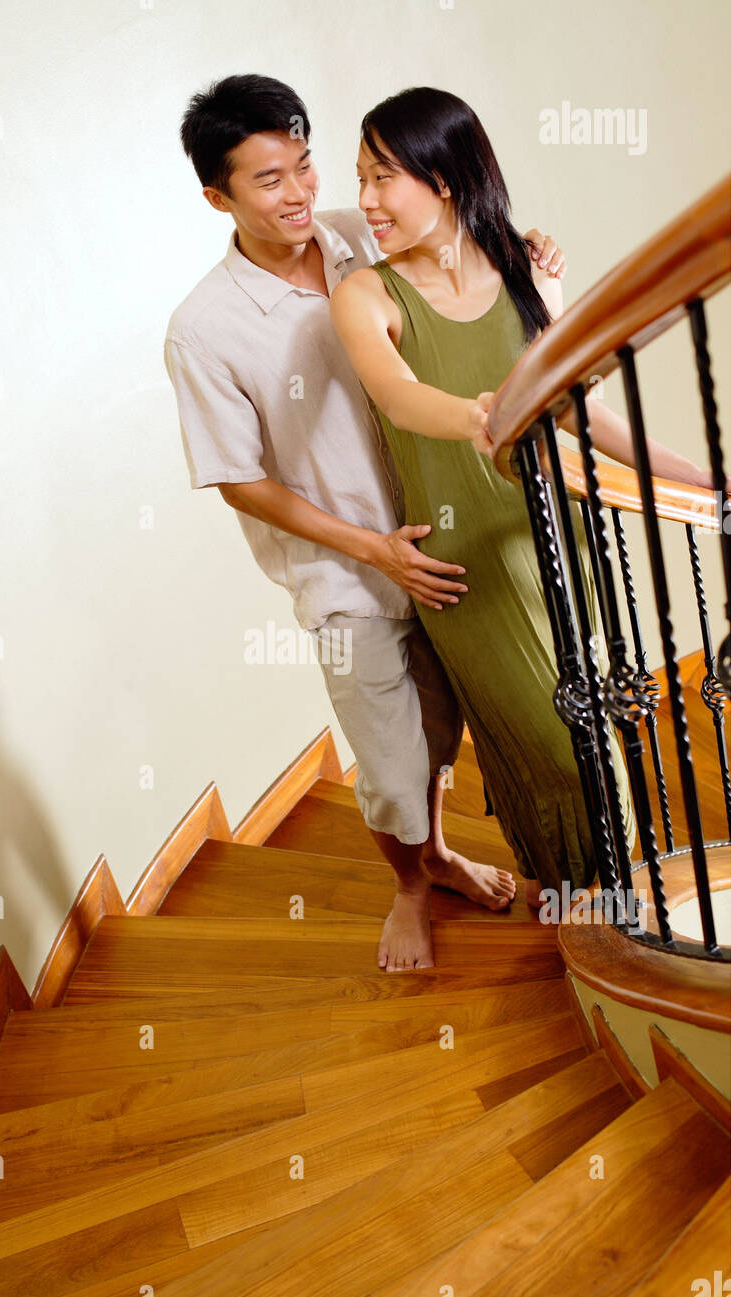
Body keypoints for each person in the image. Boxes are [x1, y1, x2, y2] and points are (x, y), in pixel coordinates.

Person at [164, 74, 568, 970]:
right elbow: (241, 481)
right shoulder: (205, 329)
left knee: (481, 725)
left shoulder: (359, 235)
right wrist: (372, 550)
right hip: (349, 575)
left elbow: (454, 253)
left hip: (455, 536)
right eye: (268, 180)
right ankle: (415, 886)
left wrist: (519, 250)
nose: (303, 193)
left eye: (307, 166)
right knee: (392, 768)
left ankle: (507, 857)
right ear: (216, 196)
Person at [331, 86, 713, 912]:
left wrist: (695, 477)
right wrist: (482, 418)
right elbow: (398, 398)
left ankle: (620, 892)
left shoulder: (525, 268)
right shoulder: (365, 295)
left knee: (599, 725)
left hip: (553, 536)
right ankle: (581, 894)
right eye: (359, 177)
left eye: (381, 176)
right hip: (465, 562)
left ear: (444, 178)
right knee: (544, 736)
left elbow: (579, 404)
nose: (364, 199)